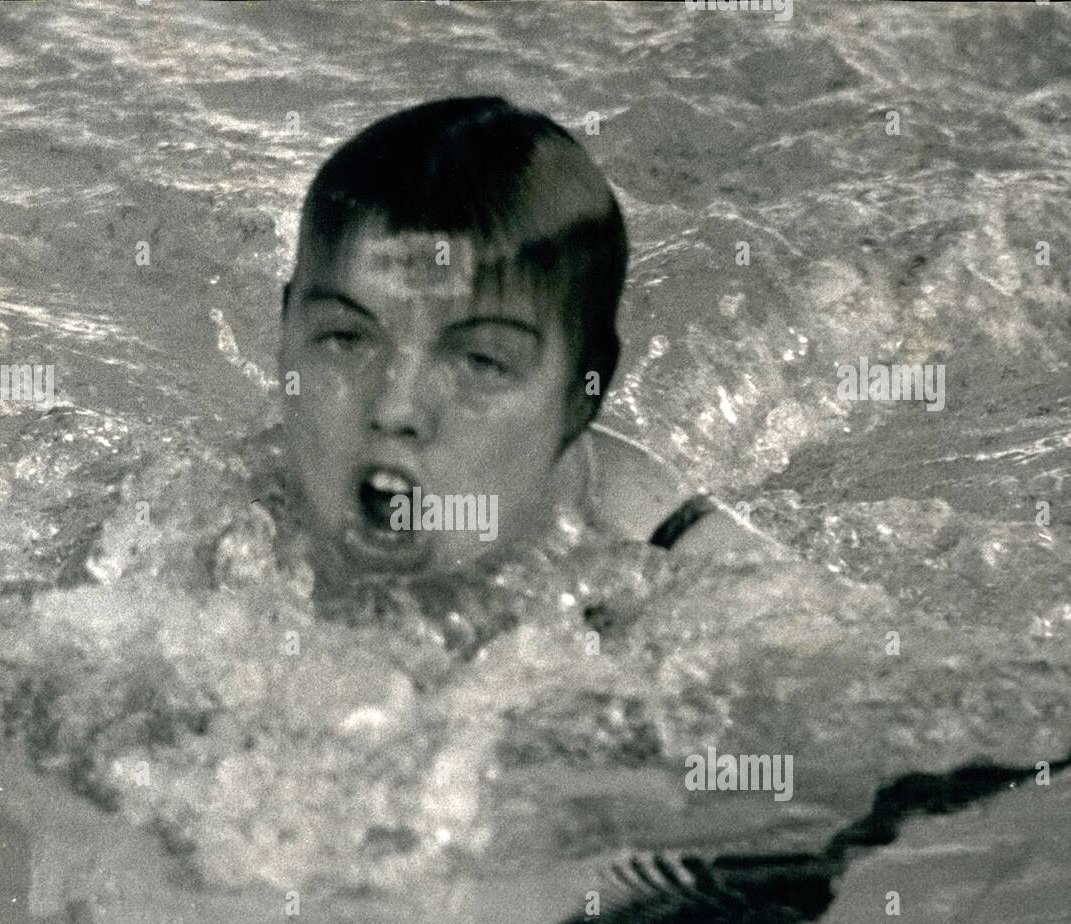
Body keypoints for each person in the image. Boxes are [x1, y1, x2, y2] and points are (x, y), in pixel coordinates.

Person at [275, 95, 775, 584]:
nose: (395, 408)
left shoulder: (691, 574)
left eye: (481, 362)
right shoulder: (237, 512)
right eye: (344, 337)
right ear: (286, 328)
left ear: (582, 398)